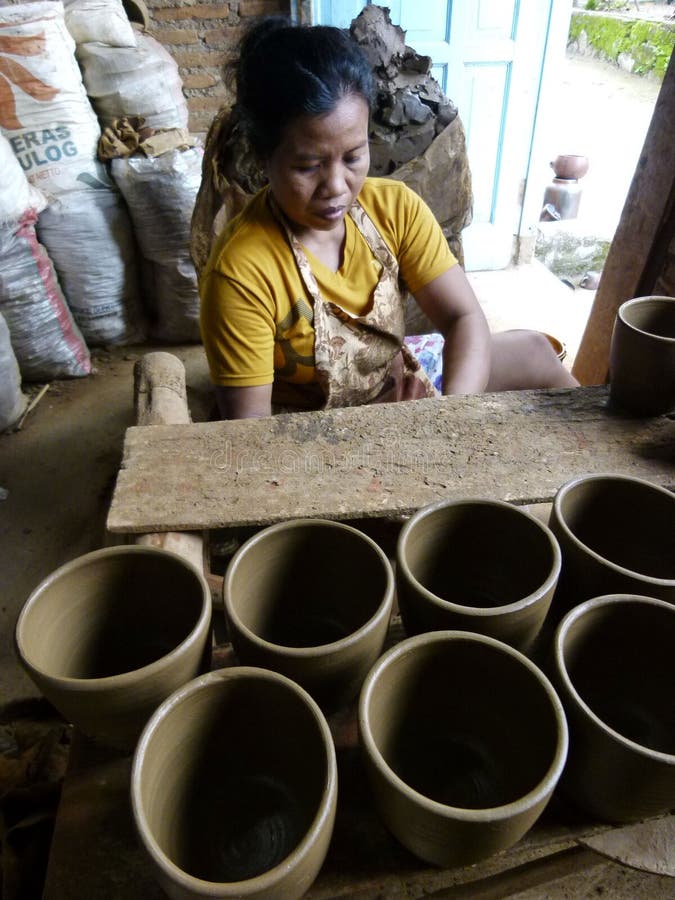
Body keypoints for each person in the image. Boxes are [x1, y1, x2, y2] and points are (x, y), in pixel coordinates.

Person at [199, 17, 578, 421]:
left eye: (353, 157)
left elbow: (462, 316)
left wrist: (450, 414)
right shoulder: (241, 271)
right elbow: (252, 435)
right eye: (309, 166)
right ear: (264, 158)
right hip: (309, 434)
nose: (337, 187)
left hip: (396, 393)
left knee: (536, 352)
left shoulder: (395, 209)